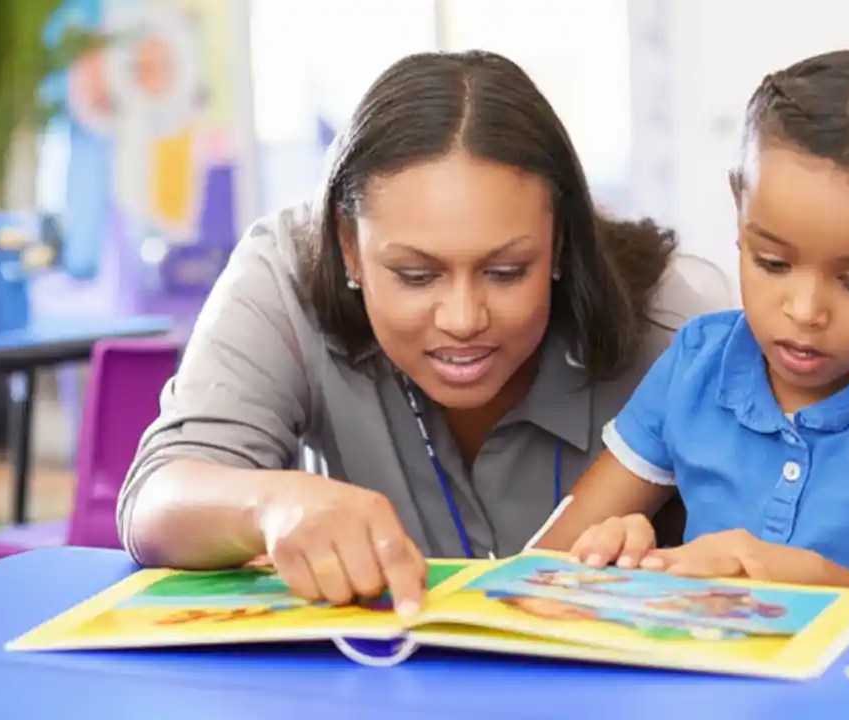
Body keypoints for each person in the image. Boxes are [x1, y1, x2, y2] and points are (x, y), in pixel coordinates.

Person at [118, 50, 726, 617]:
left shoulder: (675, 325)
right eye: (415, 274)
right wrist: (273, 504)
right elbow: (156, 500)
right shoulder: (284, 275)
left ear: (560, 241)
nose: (462, 319)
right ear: (349, 247)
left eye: (506, 271)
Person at [534, 49, 849, 616]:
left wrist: (779, 573)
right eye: (772, 262)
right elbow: (546, 566)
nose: (804, 309)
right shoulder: (697, 361)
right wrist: (611, 553)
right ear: (739, 213)